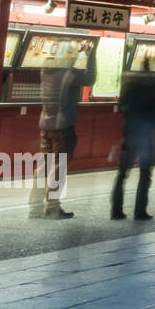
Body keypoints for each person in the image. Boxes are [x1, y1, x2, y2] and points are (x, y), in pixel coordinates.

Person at [31, 40, 97, 220]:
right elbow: (90, 78)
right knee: (59, 166)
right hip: (63, 127)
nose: (75, 55)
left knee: (43, 165)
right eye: (72, 53)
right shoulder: (70, 74)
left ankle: (35, 206)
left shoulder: (45, 70)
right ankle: (52, 207)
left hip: (45, 124)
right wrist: (91, 56)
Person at [111, 58, 155, 221]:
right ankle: (140, 211)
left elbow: (121, 107)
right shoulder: (154, 84)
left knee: (122, 173)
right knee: (145, 173)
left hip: (130, 132)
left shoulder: (129, 83)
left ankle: (116, 211)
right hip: (146, 134)